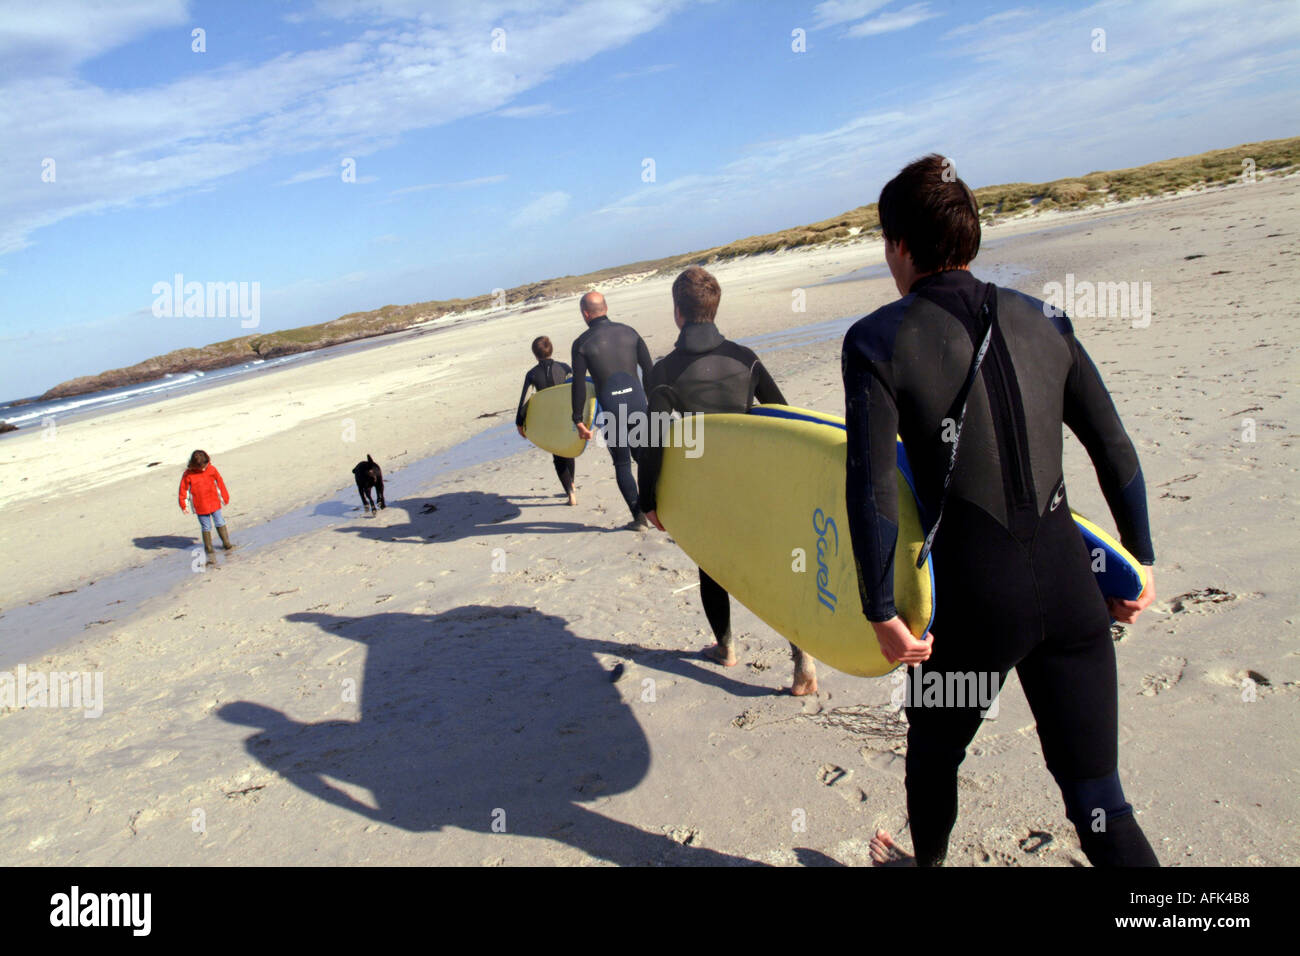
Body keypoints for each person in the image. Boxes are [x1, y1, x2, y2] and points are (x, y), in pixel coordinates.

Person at [842, 155, 1159, 867]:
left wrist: (880, 608)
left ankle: (925, 865)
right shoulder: (1046, 320)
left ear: (899, 246)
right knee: (1099, 800)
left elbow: (866, 485)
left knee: (932, 755)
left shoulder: (876, 340)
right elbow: (1114, 448)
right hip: (1074, 593)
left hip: (976, 608)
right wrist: (1138, 564)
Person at [637, 267, 819, 696]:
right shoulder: (745, 358)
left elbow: (653, 443)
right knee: (778, 568)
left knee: (712, 565)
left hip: (704, 494)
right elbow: (784, 416)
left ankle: (726, 647)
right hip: (755, 486)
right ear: (714, 307)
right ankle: (803, 662)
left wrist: (649, 502)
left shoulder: (663, 372)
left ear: (678, 313)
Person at [570, 291, 654, 530]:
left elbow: (578, 385)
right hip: (638, 404)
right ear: (605, 307)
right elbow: (649, 371)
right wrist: (655, 405)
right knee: (645, 460)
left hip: (612, 410)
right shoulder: (630, 332)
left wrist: (578, 419)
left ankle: (639, 518)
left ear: (585, 314)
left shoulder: (582, 343)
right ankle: (658, 507)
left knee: (622, 464)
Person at [516, 335, 577, 506]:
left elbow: (524, 401)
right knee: (569, 452)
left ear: (535, 354)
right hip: (567, 417)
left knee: (558, 456)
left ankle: (570, 493)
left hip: (549, 420)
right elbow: (577, 389)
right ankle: (571, 483)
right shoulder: (565, 368)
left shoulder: (532, 374)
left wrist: (519, 423)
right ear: (551, 350)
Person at [179, 449, 235, 557]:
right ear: (194, 465)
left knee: (220, 521)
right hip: (200, 506)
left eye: (205, 465)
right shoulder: (188, 475)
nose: (204, 468)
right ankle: (209, 549)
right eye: (201, 467)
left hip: (214, 502)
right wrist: (183, 505)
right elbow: (183, 491)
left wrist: (224, 497)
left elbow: (220, 483)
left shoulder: (212, 469)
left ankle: (226, 543)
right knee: (206, 526)